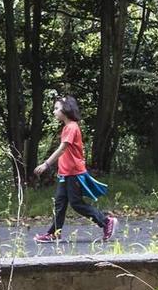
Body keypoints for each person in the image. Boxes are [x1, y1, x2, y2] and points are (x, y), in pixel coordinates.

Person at [33, 94, 117, 244]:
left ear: (66, 109)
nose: (54, 111)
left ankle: (106, 221)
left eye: (56, 108)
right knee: (59, 203)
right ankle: (54, 233)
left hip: (74, 173)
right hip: (65, 174)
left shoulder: (72, 127)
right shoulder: (67, 127)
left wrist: (46, 164)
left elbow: (62, 148)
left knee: (76, 204)